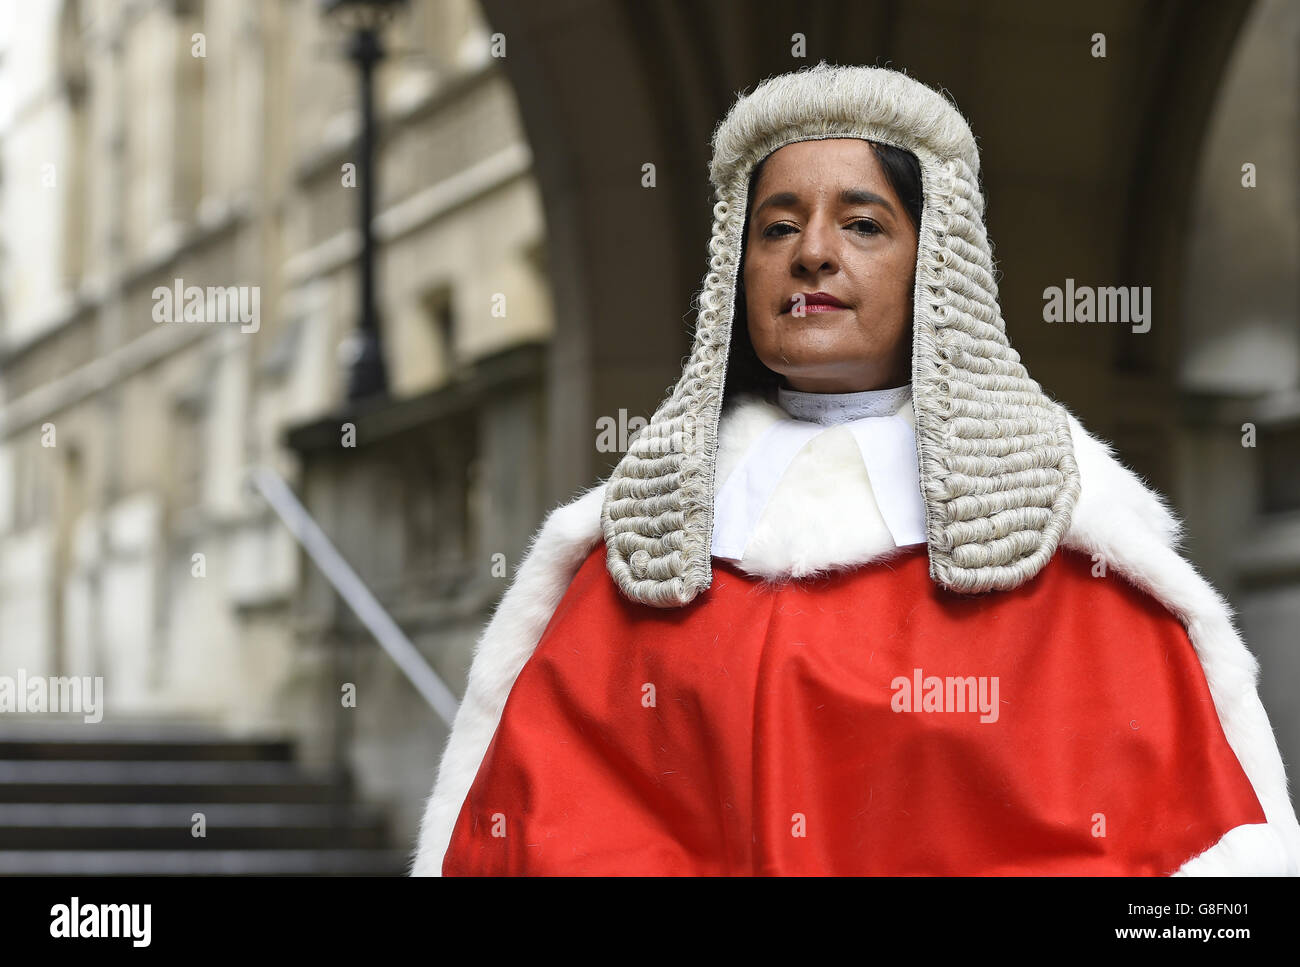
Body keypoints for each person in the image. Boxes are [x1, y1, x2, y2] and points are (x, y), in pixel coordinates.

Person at [411, 62, 1300, 876]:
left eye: (864, 223)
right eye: (780, 226)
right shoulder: (636, 554)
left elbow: (1197, 876)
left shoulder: (1075, 550)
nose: (813, 253)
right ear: (737, 269)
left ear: (935, 264)